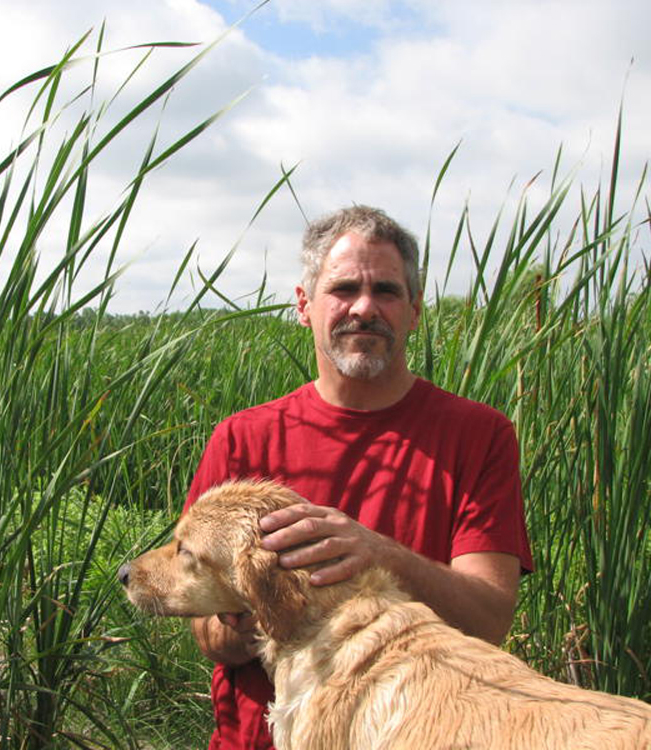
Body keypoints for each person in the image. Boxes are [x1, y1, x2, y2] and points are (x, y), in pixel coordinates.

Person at [183, 205, 533, 750]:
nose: (364, 308)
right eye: (343, 288)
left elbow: (488, 620)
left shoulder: (479, 435)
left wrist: (376, 554)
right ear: (304, 306)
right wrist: (286, 606)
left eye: (387, 292)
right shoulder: (240, 440)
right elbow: (208, 636)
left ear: (414, 311)